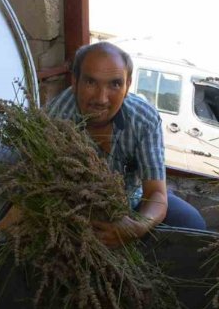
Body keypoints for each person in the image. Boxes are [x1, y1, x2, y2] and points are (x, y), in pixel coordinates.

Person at [46, 41, 206, 246]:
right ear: (75, 81)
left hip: (135, 200)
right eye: (90, 82)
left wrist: (136, 227)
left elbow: (156, 193)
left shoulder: (144, 119)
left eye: (114, 84)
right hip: (81, 211)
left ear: (128, 85)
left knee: (192, 224)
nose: (101, 98)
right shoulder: (55, 120)